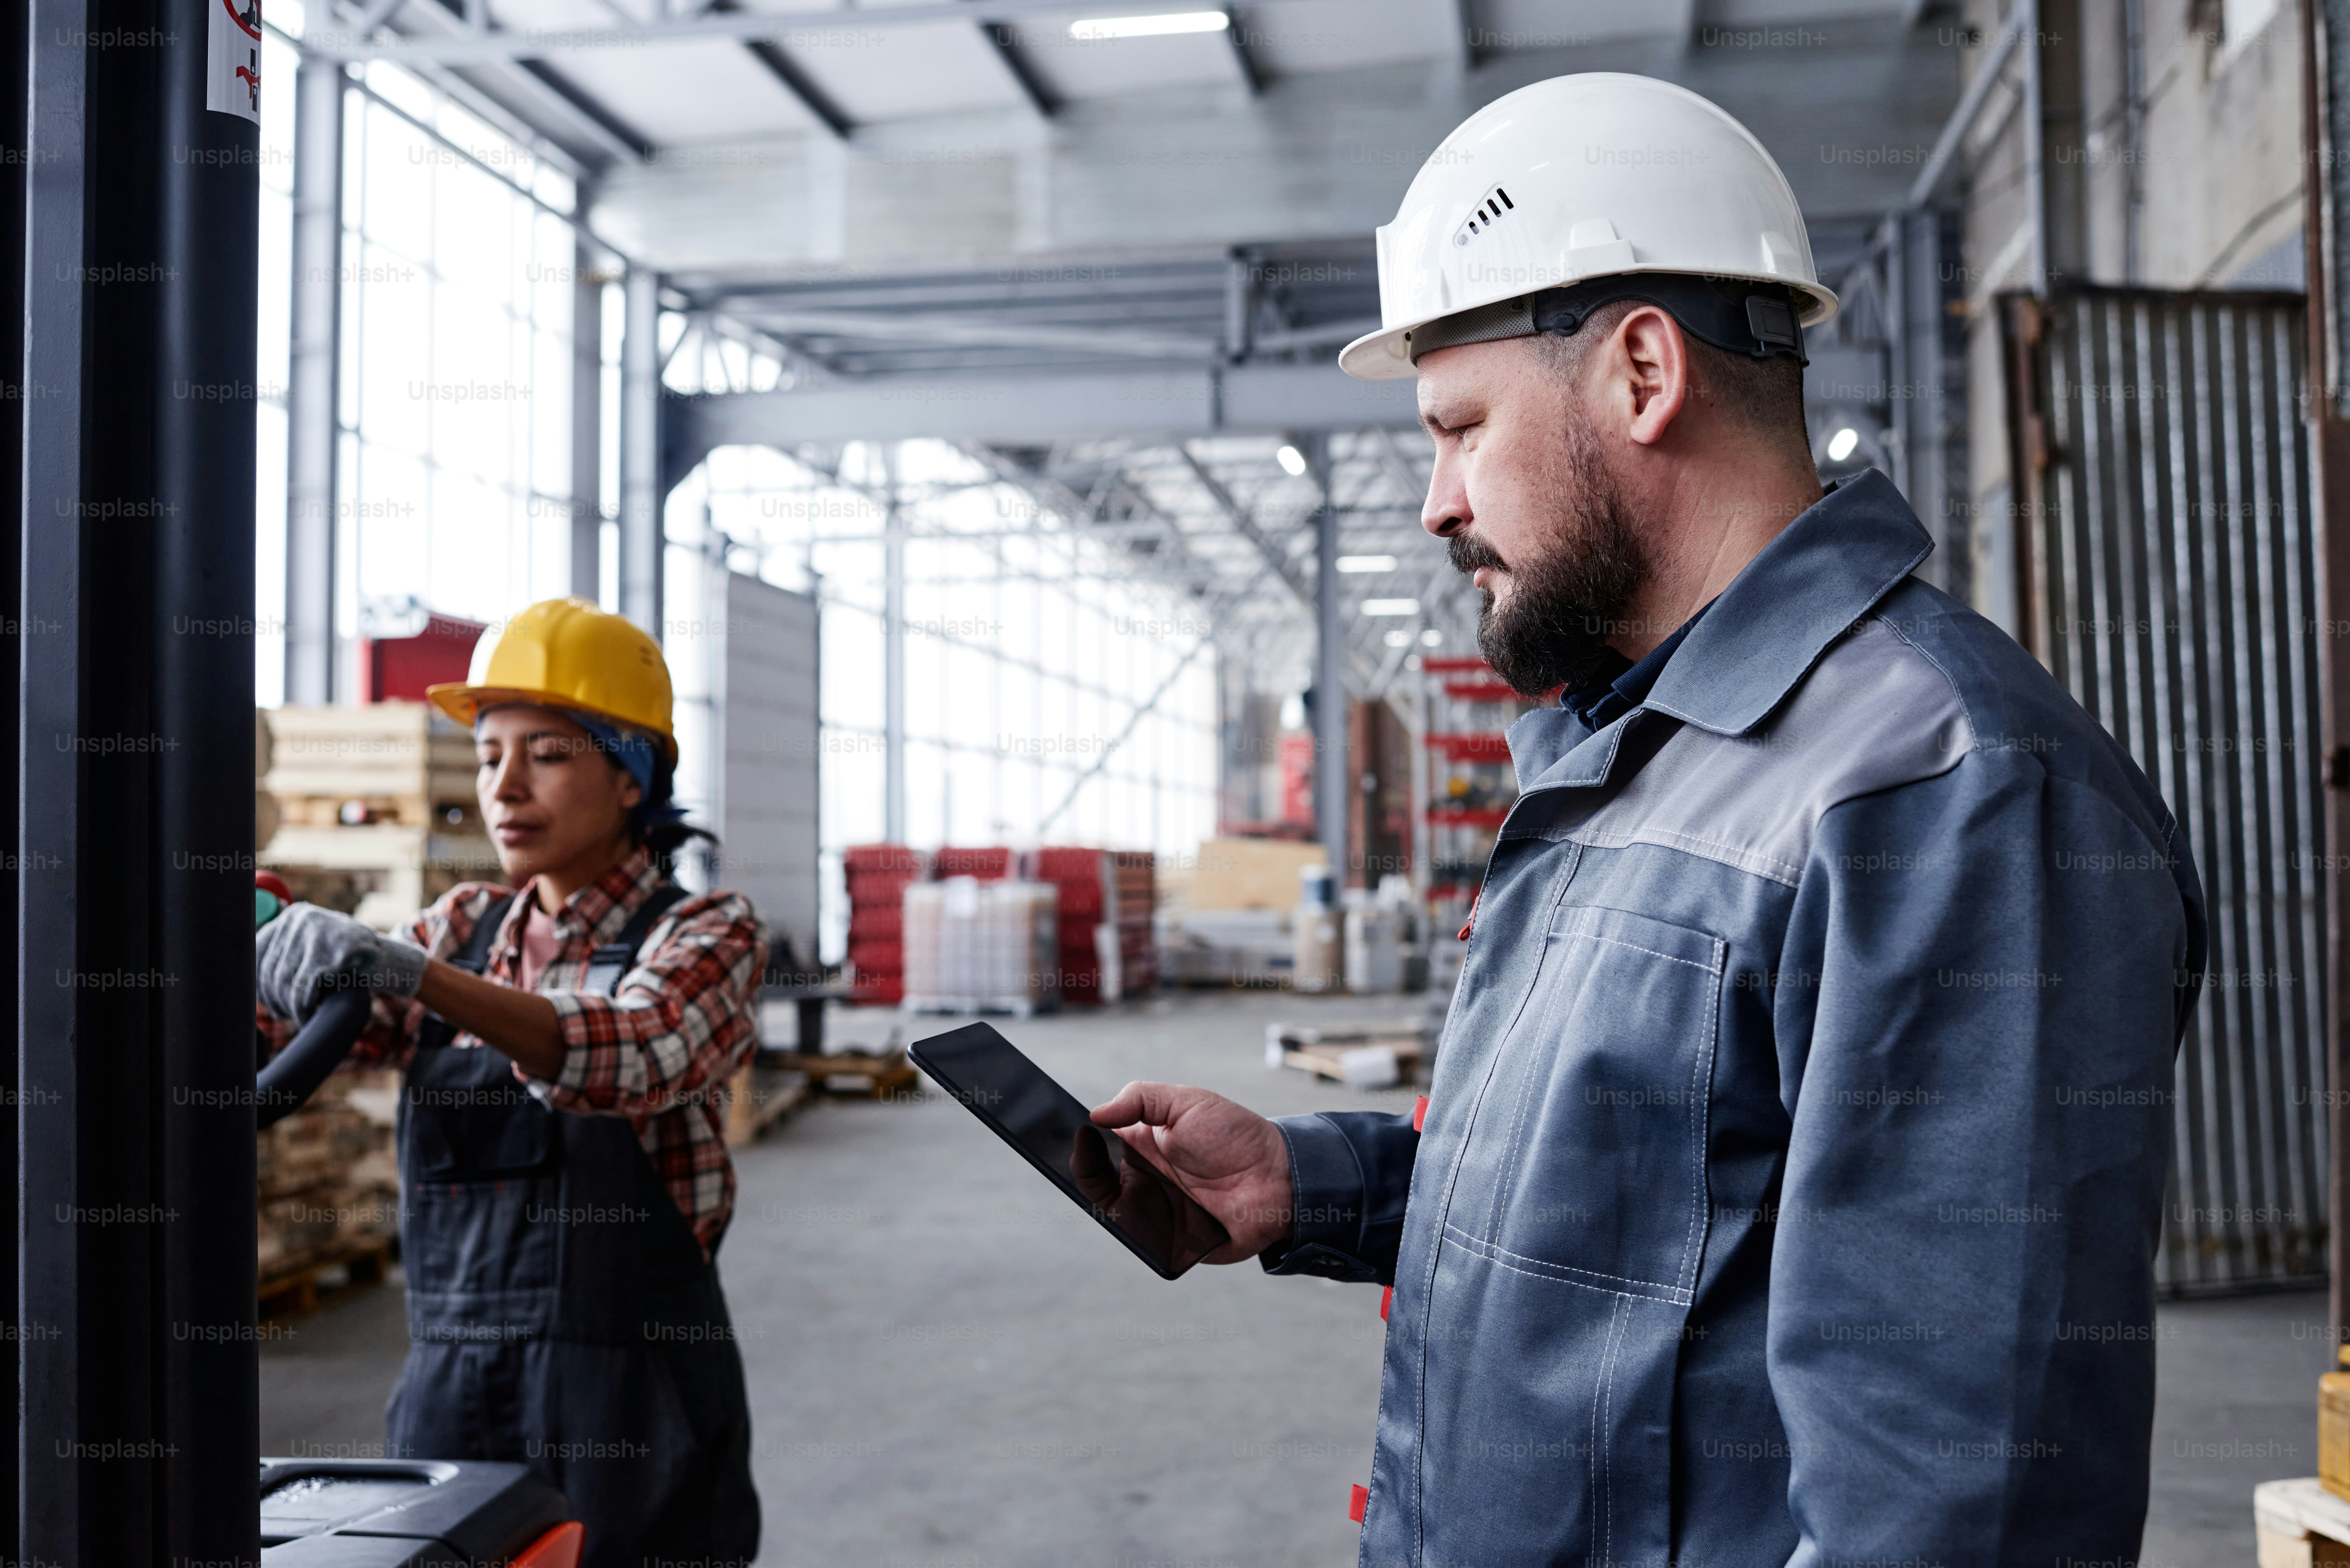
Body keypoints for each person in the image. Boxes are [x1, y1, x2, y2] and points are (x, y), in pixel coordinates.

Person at [1088, 74, 2206, 1563]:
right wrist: (1309, 1186)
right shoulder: (1639, 752)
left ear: (1638, 371)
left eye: (1460, 427)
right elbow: (1641, 1213)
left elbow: (1955, 1502)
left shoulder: (1948, 794)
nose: (1436, 502)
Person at [256, 597, 764, 1568]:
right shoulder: (462, 927)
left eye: (548, 754)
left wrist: (405, 971)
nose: (505, 786)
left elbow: (637, 1048)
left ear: (632, 776)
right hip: (451, 1392)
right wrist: (254, 957)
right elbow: (309, 1031)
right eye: (490, 757)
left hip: (634, 1405)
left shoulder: (704, 932)